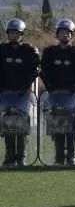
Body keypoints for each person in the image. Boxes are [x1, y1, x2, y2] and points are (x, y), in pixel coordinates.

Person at [40, 18, 75, 166]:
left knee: (71, 126)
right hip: (54, 95)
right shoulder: (49, 52)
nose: (65, 35)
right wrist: (49, 86)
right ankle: (59, 156)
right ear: (57, 34)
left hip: (71, 95)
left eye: (68, 33)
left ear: (72, 35)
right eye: (62, 32)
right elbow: (43, 71)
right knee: (57, 125)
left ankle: (72, 156)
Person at [0, 19, 40, 167]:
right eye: (11, 32)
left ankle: (21, 157)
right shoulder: (2, 49)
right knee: (8, 124)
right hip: (5, 93)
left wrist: (25, 87)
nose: (13, 35)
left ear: (22, 34)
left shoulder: (29, 50)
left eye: (16, 33)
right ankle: (9, 157)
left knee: (22, 126)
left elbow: (35, 70)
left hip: (23, 94)